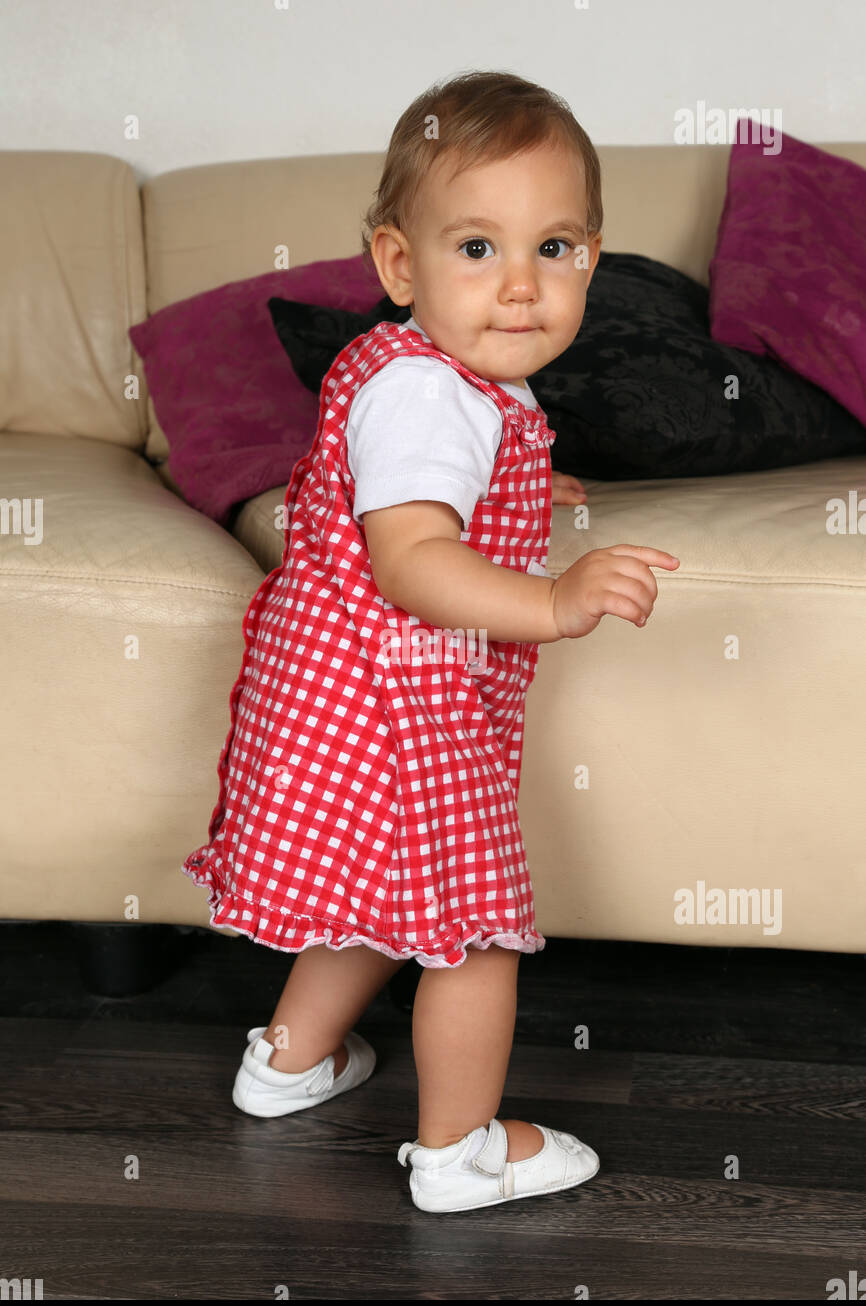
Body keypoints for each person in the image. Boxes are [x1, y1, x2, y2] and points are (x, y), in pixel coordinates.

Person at [182, 69, 679, 1214]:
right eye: (474, 249)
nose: (518, 284)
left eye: (553, 247)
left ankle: (289, 1061)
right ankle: (457, 1152)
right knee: (469, 932)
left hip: (331, 699)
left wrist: (518, 477)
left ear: (592, 259)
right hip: (392, 710)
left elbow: (420, 478)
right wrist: (553, 599)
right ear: (397, 262)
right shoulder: (431, 401)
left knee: (376, 896)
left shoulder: (414, 375)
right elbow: (411, 561)